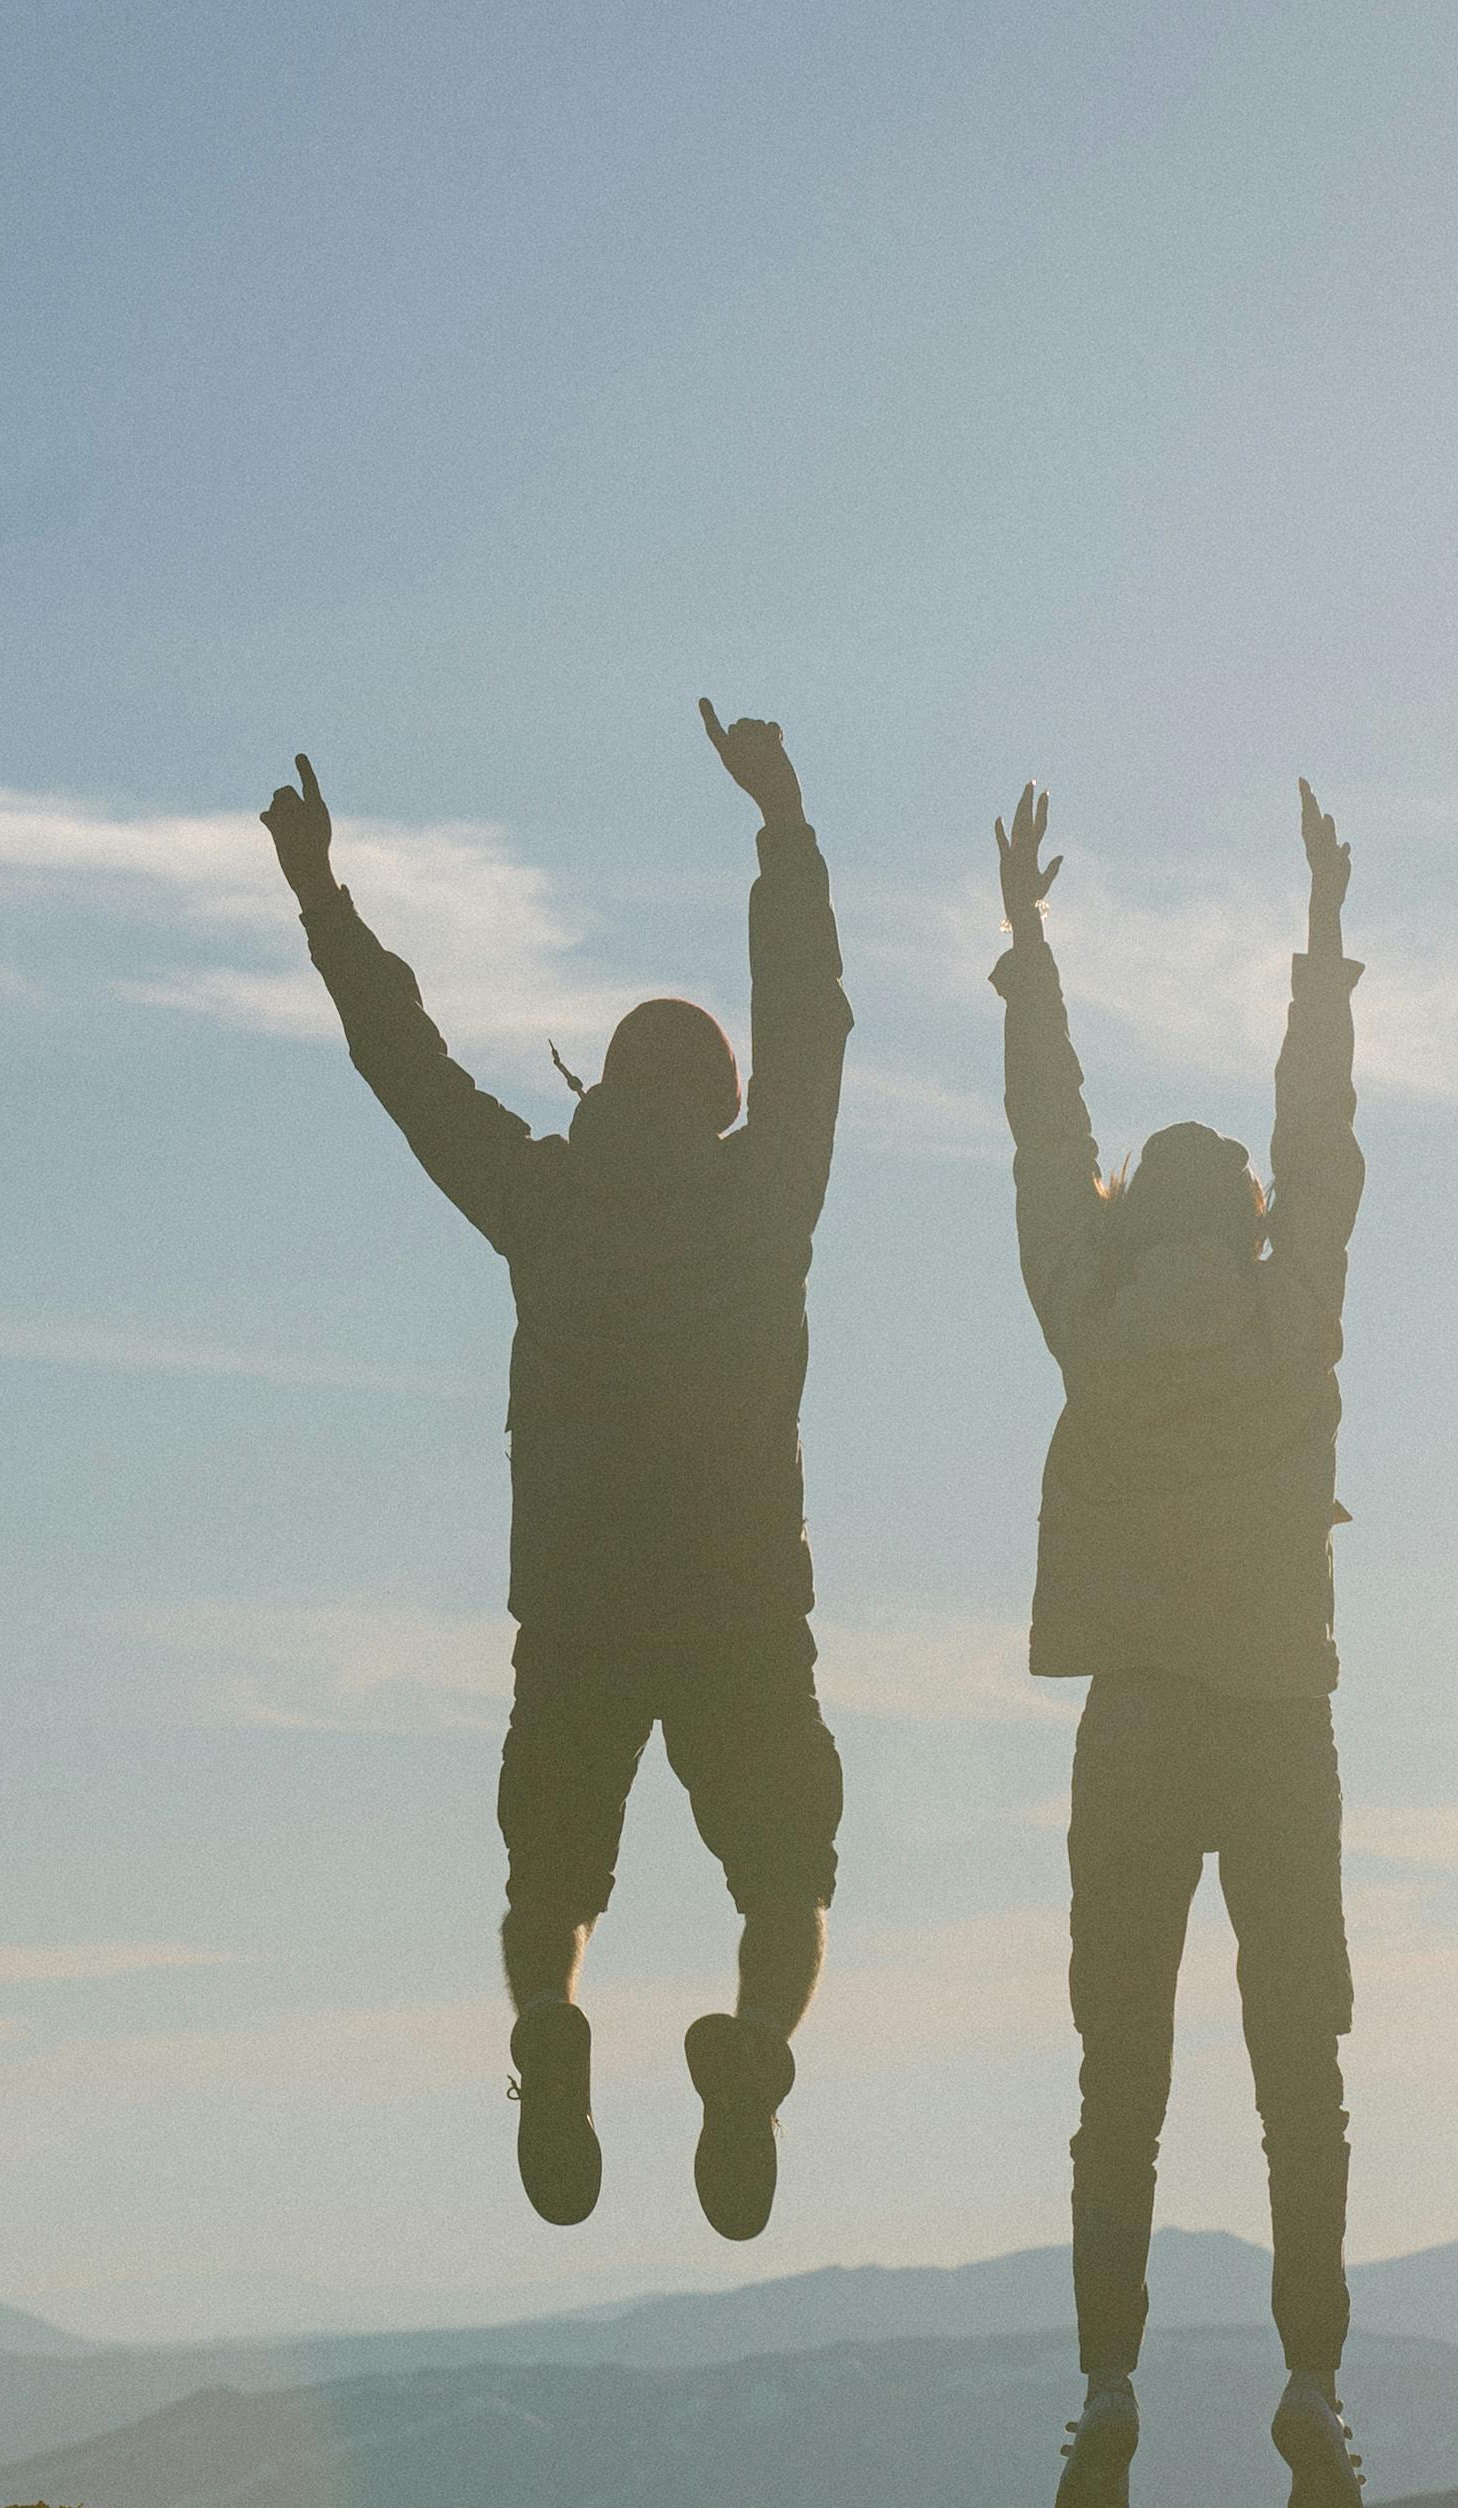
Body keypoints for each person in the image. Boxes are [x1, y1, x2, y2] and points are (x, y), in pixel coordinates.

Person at [257, 704, 851, 2243]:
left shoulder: (542, 1198)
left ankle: (547, 2023)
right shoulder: (765, 1201)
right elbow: (812, 1023)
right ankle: (757, 2054)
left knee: (553, 1882)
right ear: (718, 1103)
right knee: (786, 1883)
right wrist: (782, 829)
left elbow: (409, 1067)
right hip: (740, 1603)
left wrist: (324, 899)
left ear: (603, 1089)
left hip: (580, 1605)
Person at [990, 777, 1370, 2508]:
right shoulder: (1296, 1330)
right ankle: (1315, 2387)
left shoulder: (1089, 1324)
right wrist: (1319, 942)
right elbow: (1327, 1137)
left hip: (1133, 1731)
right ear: (1258, 1218)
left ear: (1141, 1213)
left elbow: (1040, 1143)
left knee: (1116, 2082)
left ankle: (1107, 2391)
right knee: (1301, 2067)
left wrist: (1031, 954)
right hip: (1280, 1732)